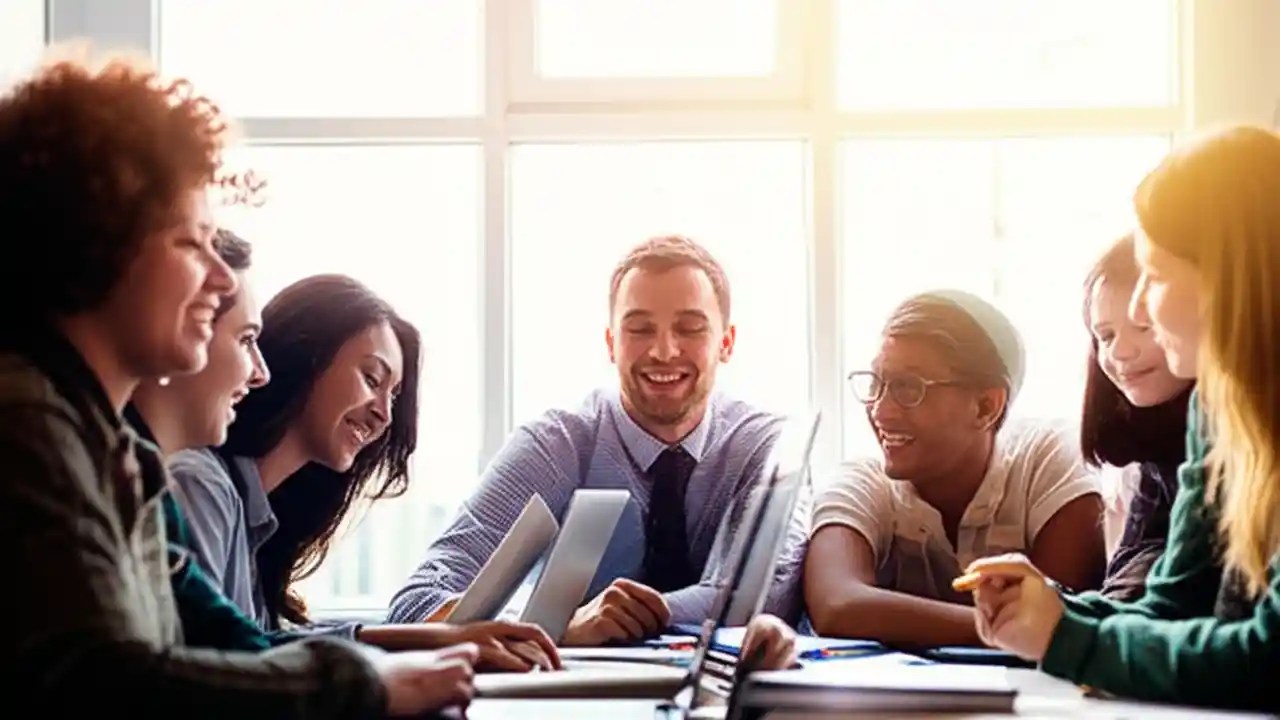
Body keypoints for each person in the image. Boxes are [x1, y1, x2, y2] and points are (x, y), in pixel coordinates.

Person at [0, 50, 475, 716]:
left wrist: (397, 666)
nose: (220, 280)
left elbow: (226, 638)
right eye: (192, 244)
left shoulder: (119, 453)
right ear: (96, 242)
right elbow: (102, 679)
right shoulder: (27, 425)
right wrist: (363, 685)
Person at [965, 126, 1280, 710]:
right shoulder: (1218, 413)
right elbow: (1171, 608)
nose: (1139, 308)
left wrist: (1065, 636)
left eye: (1155, 278)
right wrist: (1053, 606)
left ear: (1228, 278)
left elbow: (1267, 658)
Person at [389, 235, 810, 647]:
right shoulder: (555, 447)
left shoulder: (766, 447)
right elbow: (417, 603)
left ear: (726, 343)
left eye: (690, 328)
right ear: (611, 343)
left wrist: (634, 616)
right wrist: (556, 626)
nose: (664, 351)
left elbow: (760, 599)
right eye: (640, 329)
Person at [170, 272, 559, 671]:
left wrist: (441, 639)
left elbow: (266, 645)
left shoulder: (255, 517)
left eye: (392, 396)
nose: (384, 414)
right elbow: (225, 665)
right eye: (372, 378)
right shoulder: (201, 484)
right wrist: (428, 648)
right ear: (305, 356)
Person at [805, 290, 1104, 647]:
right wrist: (1001, 629)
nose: (881, 411)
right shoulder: (865, 481)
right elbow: (836, 604)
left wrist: (1041, 626)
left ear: (985, 407)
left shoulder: (1050, 459)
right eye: (876, 383)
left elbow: (1063, 619)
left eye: (908, 388)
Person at [1079, 233, 1193, 601]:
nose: (1121, 352)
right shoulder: (1154, 443)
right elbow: (1142, 554)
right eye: (1106, 335)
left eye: (1145, 327)